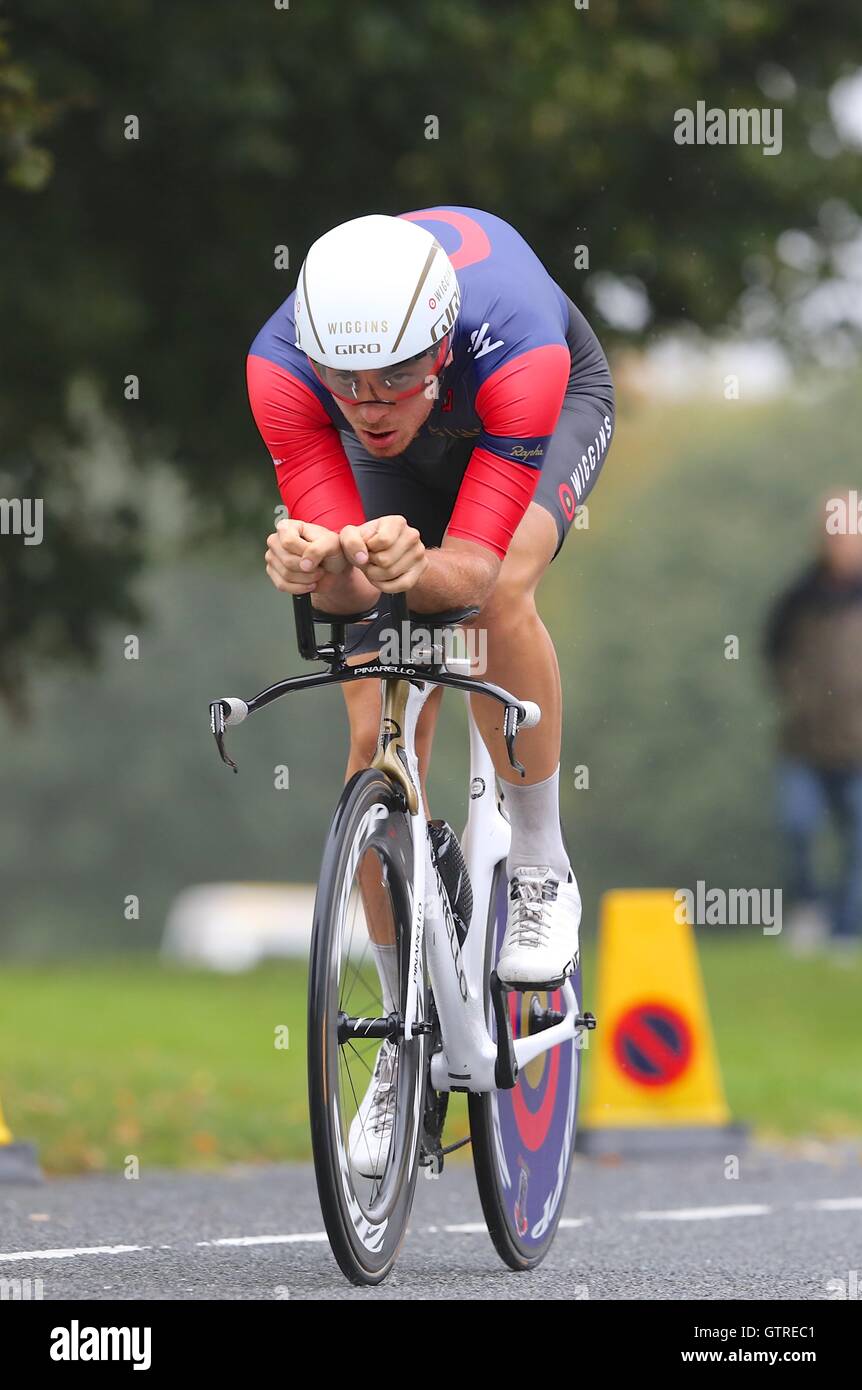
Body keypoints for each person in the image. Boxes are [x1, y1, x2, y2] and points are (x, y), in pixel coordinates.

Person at [247, 208, 614, 1170]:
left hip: (530, 402)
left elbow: (470, 579)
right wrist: (315, 561)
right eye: (348, 381)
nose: (371, 403)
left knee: (495, 609)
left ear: (439, 346)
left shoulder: (514, 350)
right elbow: (351, 592)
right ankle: (399, 1049)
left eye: (397, 376)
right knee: (369, 731)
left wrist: (414, 566)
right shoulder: (284, 370)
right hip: (411, 451)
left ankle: (539, 862)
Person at [764, 497, 862, 958]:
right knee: (797, 827)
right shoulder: (798, 597)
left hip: (861, 749)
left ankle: (846, 933)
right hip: (804, 744)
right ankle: (809, 909)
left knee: (860, 845)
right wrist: (797, 700)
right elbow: (774, 654)